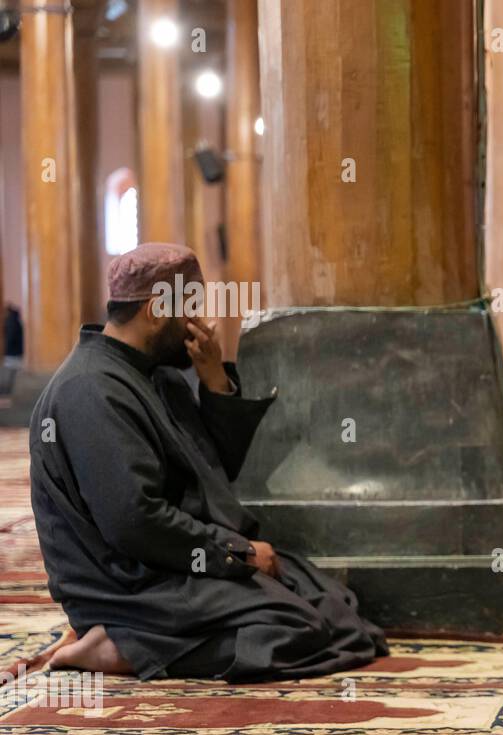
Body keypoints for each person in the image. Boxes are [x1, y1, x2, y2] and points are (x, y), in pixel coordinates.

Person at [29, 242, 388, 681]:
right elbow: (134, 523)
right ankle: (123, 645)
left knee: (338, 610)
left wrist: (214, 380)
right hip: (127, 582)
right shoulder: (90, 390)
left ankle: (142, 639)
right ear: (157, 310)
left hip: (174, 560)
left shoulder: (157, 374)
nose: (201, 322)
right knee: (296, 630)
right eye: (192, 308)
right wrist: (236, 553)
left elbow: (215, 472)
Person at [0, 303, 22, 406]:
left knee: (8, 373)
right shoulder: (16, 320)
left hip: (11, 352)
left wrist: (5, 350)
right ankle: (6, 395)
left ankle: (5, 395)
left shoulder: (10, 321)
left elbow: (10, 337)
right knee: (11, 373)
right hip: (15, 352)